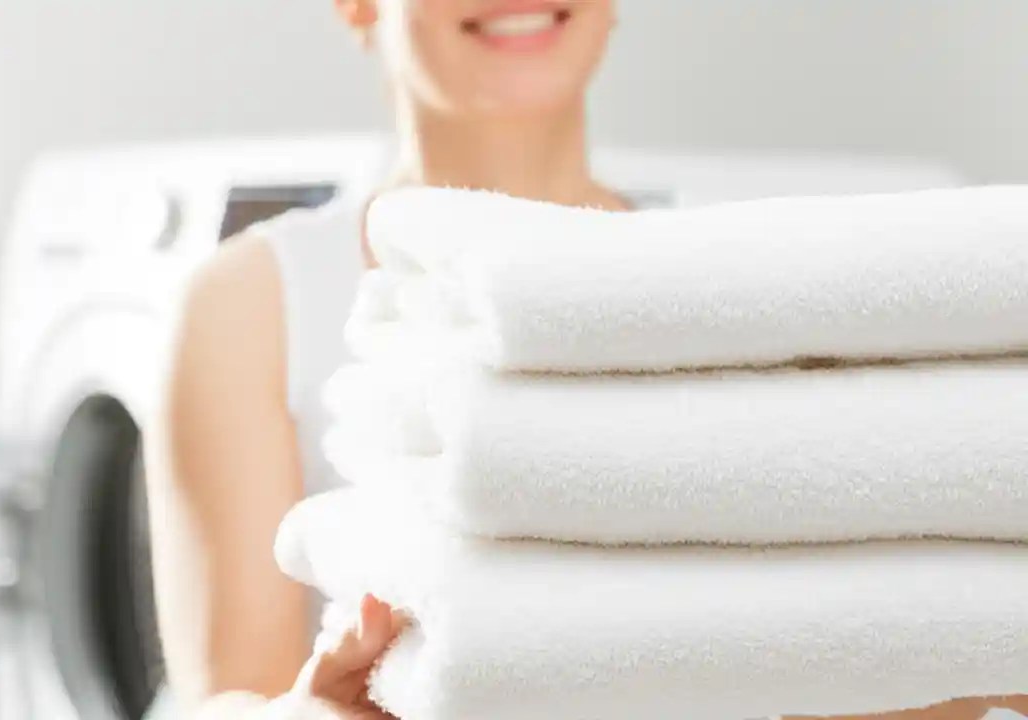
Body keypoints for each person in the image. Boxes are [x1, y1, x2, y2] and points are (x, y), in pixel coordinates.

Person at [144, 2, 1028, 718]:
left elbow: (797, 634)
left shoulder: (716, 298)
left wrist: (969, 646)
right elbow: (221, 695)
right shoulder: (255, 298)